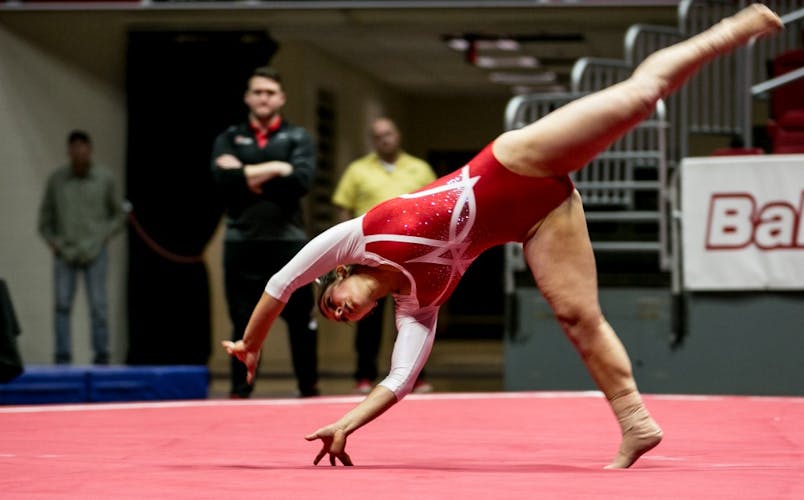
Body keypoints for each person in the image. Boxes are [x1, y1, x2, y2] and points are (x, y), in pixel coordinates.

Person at [224, 4, 783, 468]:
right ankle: (636, 422)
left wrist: (251, 343)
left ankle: (733, 29)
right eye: (345, 318)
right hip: (539, 218)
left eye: (332, 302)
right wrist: (347, 421)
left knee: (640, 98)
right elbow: (398, 378)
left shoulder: (355, 238)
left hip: (514, 162)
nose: (341, 310)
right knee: (577, 318)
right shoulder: (417, 308)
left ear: (338, 276)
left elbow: (282, 281)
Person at [211, 66, 320, 398]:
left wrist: (244, 175)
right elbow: (223, 183)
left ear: (281, 98)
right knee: (242, 320)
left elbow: (299, 182)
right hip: (242, 243)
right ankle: (239, 392)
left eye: (270, 92)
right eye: (257, 92)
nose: (263, 98)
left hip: (288, 243)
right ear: (247, 97)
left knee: (300, 321)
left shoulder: (298, 138)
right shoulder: (229, 138)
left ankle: (309, 388)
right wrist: (274, 168)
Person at [332, 117, 437, 394]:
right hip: (369, 257)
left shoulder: (420, 168)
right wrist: (342, 251)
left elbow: (437, 207)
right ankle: (364, 376)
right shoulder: (357, 170)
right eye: (378, 136)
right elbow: (343, 209)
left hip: (412, 256)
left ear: (398, 135)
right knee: (367, 320)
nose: (384, 139)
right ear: (373, 140)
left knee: (413, 317)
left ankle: (416, 376)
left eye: (388, 133)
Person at [38, 130, 125, 365]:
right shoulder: (57, 180)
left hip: (95, 252)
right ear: (68, 151)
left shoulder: (104, 178)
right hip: (65, 253)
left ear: (89, 150)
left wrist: (104, 236)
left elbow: (119, 214)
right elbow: (44, 220)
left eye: (82, 147)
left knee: (98, 306)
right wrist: (54, 243)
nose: (78, 152)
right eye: (73, 147)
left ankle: (101, 357)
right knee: (62, 306)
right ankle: (62, 357)